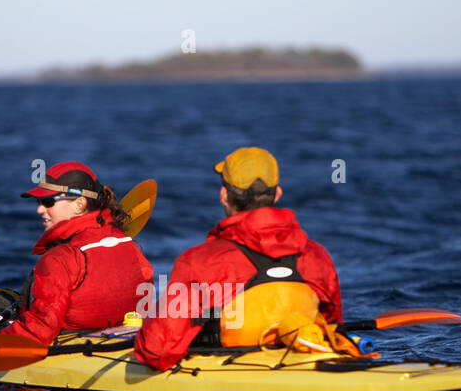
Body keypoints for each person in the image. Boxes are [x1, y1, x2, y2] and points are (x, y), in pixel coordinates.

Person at [133, 146, 343, 371]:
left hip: (229, 371)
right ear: (278, 194)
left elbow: (158, 351)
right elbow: (333, 328)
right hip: (301, 363)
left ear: (224, 196)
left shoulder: (198, 262)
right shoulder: (317, 255)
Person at [0, 161, 153, 344]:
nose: (40, 209)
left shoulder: (59, 258)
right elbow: (146, 302)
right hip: (125, 342)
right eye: (39, 202)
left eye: (48, 202)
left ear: (79, 204)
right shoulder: (128, 244)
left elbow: (40, 329)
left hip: (70, 347)